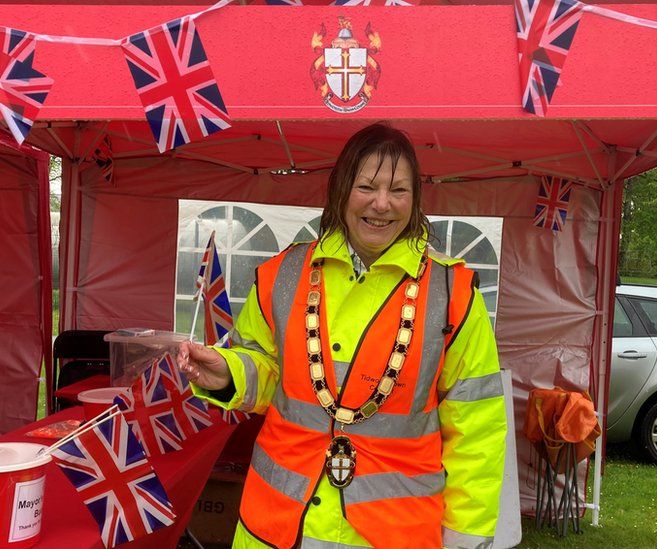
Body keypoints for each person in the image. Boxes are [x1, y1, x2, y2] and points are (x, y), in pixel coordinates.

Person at [180, 122, 506, 549]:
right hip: (275, 527)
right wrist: (228, 373)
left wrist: (466, 541)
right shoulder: (282, 274)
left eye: (399, 191)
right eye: (367, 186)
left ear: (416, 198)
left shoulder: (454, 293)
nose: (382, 204)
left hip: (392, 534)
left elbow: (478, 431)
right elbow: (270, 370)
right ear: (340, 190)